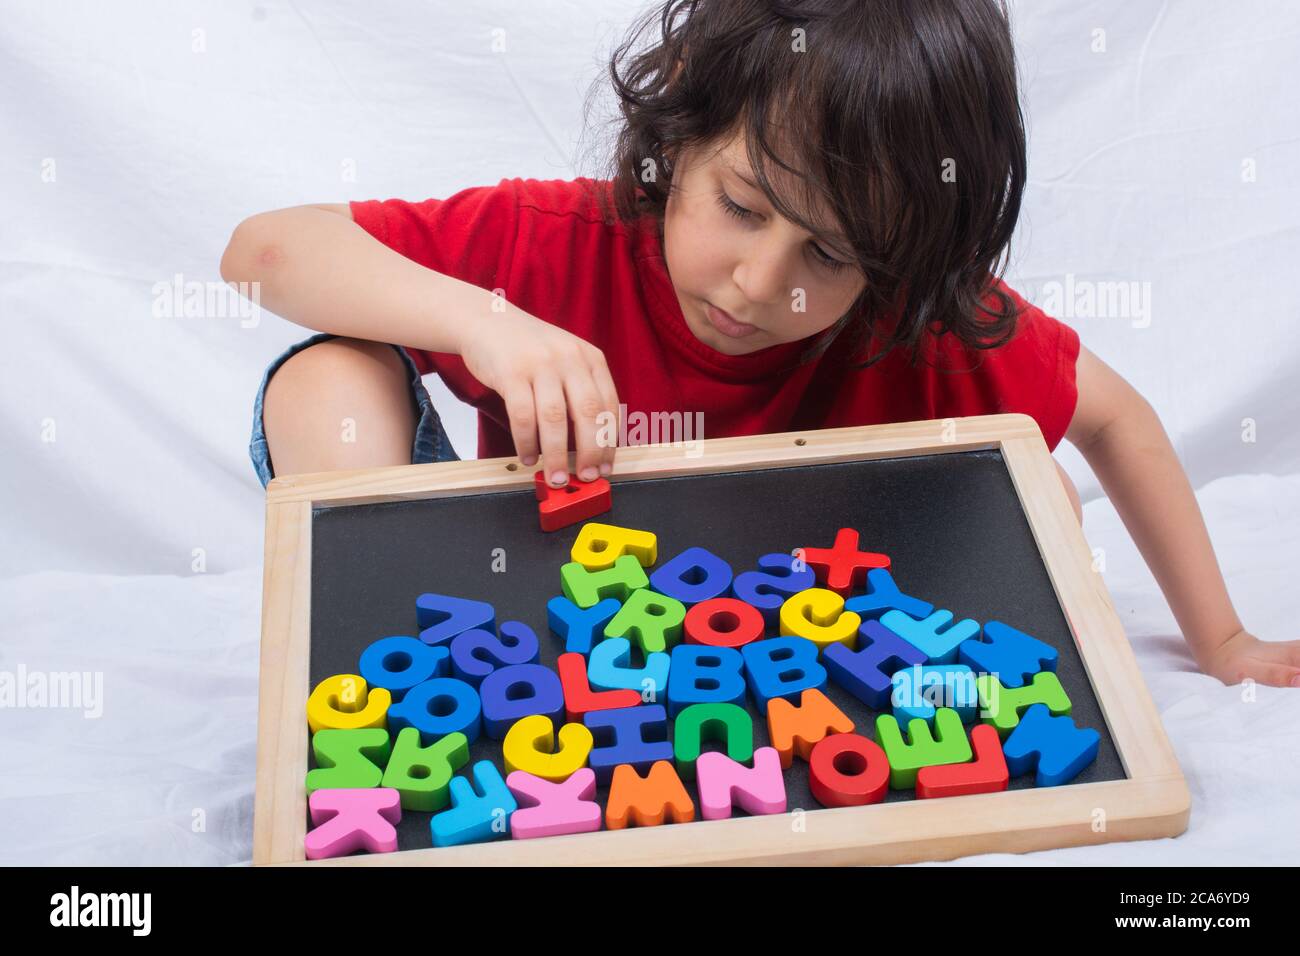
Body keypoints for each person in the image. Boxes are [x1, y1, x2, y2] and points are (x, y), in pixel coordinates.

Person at [221, 0, 1299, 688]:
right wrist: (482, 320)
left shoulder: (914, 316)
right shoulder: (552, 241)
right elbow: (263, 249)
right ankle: (374, 686)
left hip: (777, 646)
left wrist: (1222, 642)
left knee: (1039, 500)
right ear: (677, 141)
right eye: (741, 206)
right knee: (325, 378)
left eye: (829, 255)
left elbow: (1114, 417)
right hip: (524, 629)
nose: (762, 280)